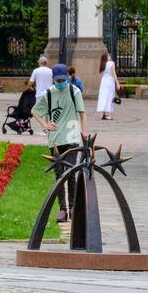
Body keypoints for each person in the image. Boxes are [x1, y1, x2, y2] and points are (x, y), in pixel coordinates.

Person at [35, 63, 89, 223]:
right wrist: (44, 125)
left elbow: (82, 114)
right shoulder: (49, 94)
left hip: (71, 136)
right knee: (59, 175)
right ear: (53, 80)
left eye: (63, 80)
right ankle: (62, 209)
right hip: (55, 139)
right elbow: (34, 111)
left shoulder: (75, 91)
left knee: (71, 171)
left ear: (67, 77)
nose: (61, 83)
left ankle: (72, 207)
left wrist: (85, 135)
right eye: (58, 81)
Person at [96, 51, 119, 121]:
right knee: (109, 96)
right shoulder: (111, 63)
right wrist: (117, 82)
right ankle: (106, 114)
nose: (110, 57)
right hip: (109, 81)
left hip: (104, 81)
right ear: (107, 57)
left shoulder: (103, 64)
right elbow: (113, 73)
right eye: (108, 56)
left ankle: (104, 113)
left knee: (104, 96)